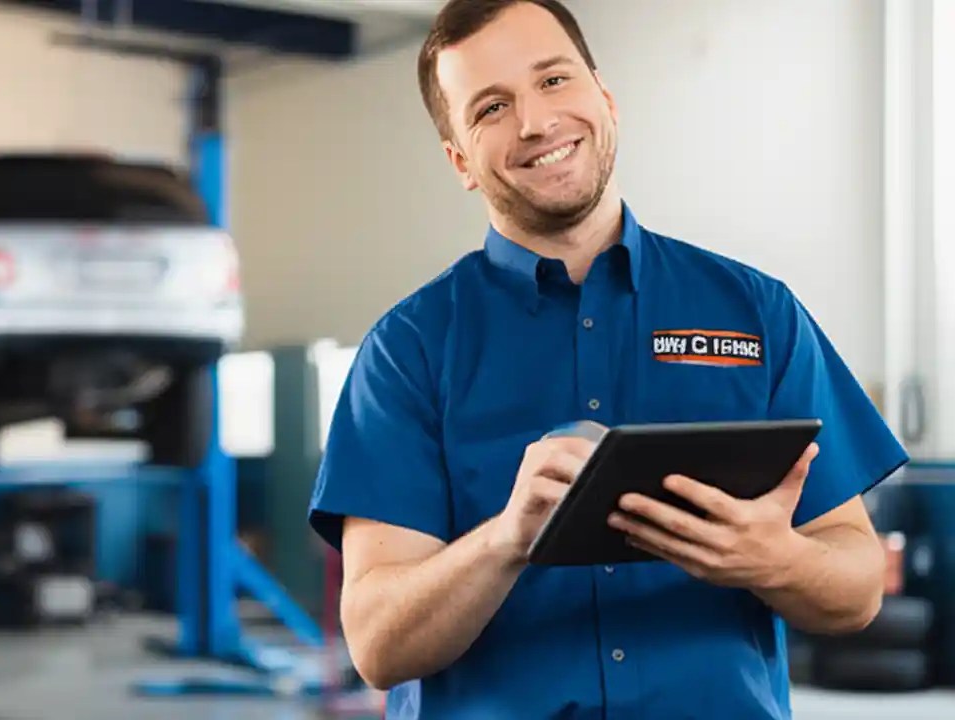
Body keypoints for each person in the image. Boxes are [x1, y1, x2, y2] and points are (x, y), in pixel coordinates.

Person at [306, 1, 910, 718]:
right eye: (492, 107)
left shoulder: (757, 312)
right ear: (460, 160)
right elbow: (377, 645)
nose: (535, 122)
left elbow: (858, 585)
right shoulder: (408, 351)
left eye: (554, 81)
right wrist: (506, 539)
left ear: (606, 99)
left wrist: (774, 560)